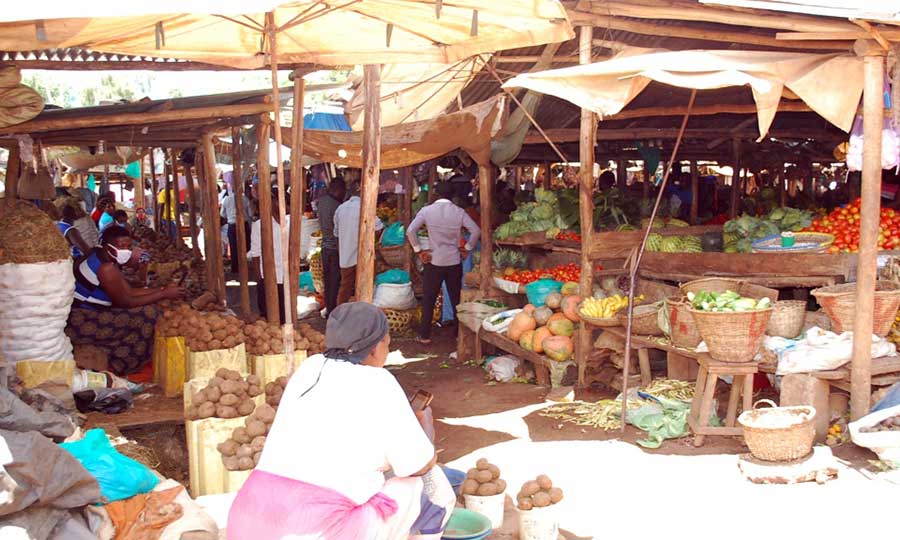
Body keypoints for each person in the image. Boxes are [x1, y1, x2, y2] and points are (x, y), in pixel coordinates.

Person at [227, 302, 454, 540]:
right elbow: (418, 464)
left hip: (246, 523)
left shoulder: (309, 367)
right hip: (319, 531)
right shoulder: (378, 380)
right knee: (430, 489)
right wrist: (424, 425)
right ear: (376, 348)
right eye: (387, 342)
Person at [66, 226, 183, 374]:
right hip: (81, 320)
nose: (126, 250)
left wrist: (162, 290)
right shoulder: (106, 268)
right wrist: (163, 294)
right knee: (149, 315)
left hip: (86, 313)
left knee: (148, 308)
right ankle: (122, 364)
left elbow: (128, 291)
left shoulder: (101, 256)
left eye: (129, 246)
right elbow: (125, 302)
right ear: (107, 244)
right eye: (121, 246)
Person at [407, 182, 480, 344]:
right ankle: (457, 333)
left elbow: (410, 231)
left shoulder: (427, 211)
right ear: (451, 195)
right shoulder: (459, 212)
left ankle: (425, 335)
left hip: (434, 260)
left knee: (429, 298)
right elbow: (475, 231)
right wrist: (466, 248)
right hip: (454, 260)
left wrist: (419, 251)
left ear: (436, 194)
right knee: (455, 298)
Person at [333, 182, 383, 304]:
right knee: (365, 286)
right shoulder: (365, 207)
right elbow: (379, 228)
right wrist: (370, 241)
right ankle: (362, 311)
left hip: (346, 257)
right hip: (364, 256)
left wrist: (342, 249)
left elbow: (336, 234)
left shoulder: (340, 209)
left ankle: (340, 314)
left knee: (345, 286)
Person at [250, 191, 291, 323]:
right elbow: (255, 253)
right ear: (273, 203)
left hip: (286, 277)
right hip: (268, 277)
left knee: (285, 316)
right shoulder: (259, 226)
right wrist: (259, 279)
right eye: (278, 201)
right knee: (268, 317)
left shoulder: (291, 223)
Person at [317, 177, 346, 317]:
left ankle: (329, 309)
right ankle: (333, 311)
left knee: (327, 280)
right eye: (342, 191)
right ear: (338, 189)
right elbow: (339, 230)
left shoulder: (321, 202)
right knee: (335, 281)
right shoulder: (336, 206)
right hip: (334, 248)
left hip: (325, 247)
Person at [220, 187, 251, 274]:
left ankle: (235, 267)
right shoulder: (245, 199)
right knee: (245, 245)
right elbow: (250, 213)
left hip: (232, 225)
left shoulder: (226, 200)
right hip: (243, 225)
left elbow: (223, 214)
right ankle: (243, 265)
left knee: (233, 247)